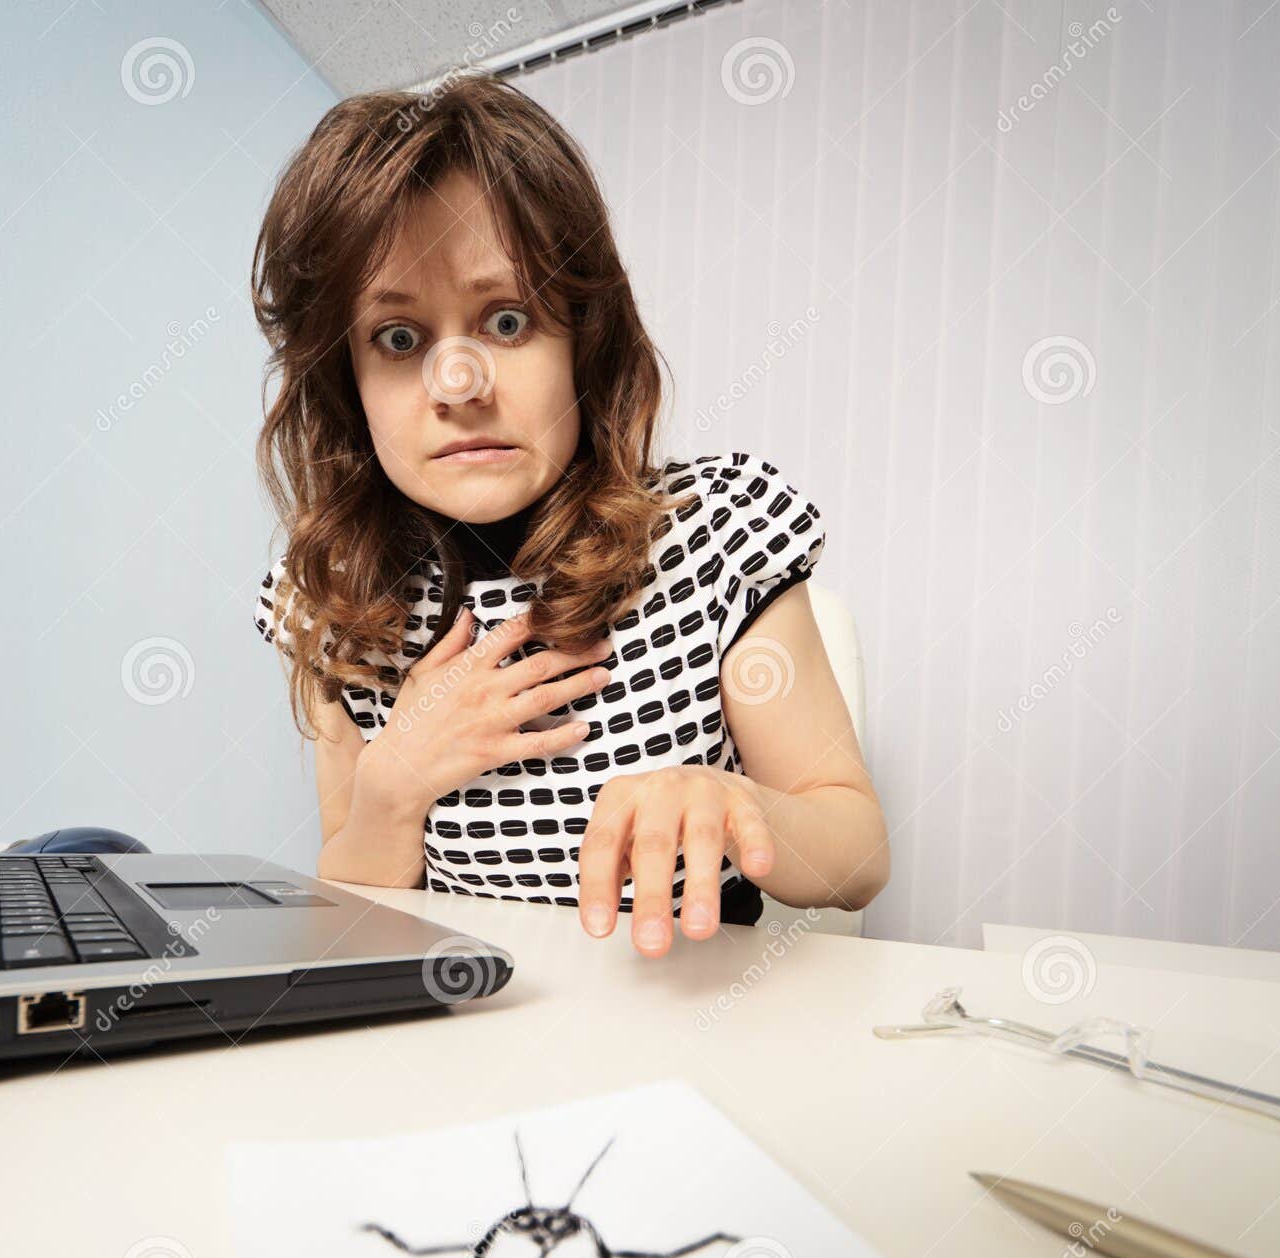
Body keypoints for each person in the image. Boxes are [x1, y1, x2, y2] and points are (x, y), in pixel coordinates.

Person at [251, 75, 889, 959]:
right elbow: (352, 901)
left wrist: (736, 802)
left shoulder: (715, 537)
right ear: (346, 383)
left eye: (506, 321)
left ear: (583, 342)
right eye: (398, 340)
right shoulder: (333, 601)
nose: (458, 385)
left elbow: (855, 856)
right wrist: (392, 782)